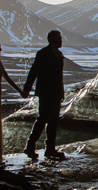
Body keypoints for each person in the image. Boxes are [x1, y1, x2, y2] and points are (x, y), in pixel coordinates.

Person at [23, 30, 66, 160]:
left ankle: (50, 149)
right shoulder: (43, 53)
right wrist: (27, 88)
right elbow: (34, 71)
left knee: (53, 121)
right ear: (52, 40)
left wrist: (61, 92)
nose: (61, 41)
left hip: (55, 93)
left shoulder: (58, 54)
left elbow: (59, 77)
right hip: (46, 92)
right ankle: (30, 146)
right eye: (59, 38)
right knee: (43, 119)